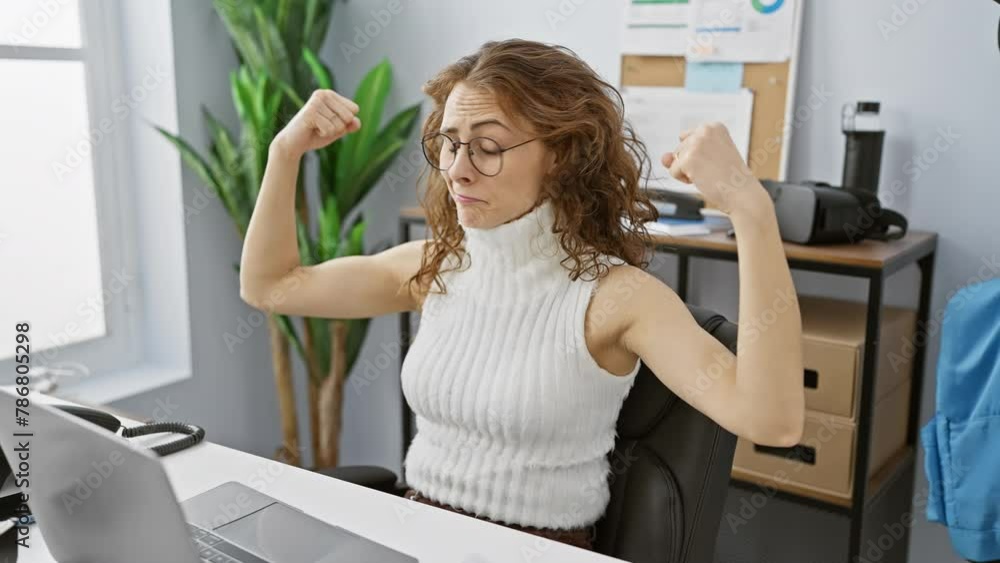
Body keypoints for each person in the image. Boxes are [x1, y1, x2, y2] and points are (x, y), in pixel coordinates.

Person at [239, 39, 805, 552]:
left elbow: (771, 421)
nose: (458, 171)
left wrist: (750, 210)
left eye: (487, 147)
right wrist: (284, 153)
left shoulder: (616, 297)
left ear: (560, 156)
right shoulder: (439, 265)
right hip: (416, 537)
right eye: (449, 144)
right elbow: (272, 286)